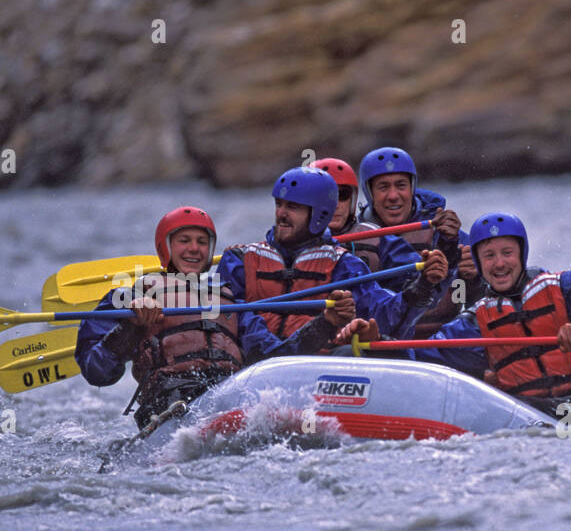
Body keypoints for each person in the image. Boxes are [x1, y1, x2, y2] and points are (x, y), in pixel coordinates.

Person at [75, 206, 373, 429]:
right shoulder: (132, 295)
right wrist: (130, 325)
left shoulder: (230, 301)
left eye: (202, 242)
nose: (194, 248)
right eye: (184, 240)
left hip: (228, 401)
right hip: (167, 409)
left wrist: (327, 323)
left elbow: (276, 359)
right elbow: (96, 371)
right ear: (164, 247)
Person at [412, 212, 571, 415]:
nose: (500, 263)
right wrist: (382, 342)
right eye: (489, 256)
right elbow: (422, 355)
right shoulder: (474, 323)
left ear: (522, 255)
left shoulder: (567, 287)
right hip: (530, 412)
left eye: (507, 253)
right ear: (478, 262)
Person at [214, 165, 447, 341]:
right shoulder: (239, 261)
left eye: (293, 207)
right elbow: (226, 321)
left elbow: (388, 315)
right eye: (280, 204)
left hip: (317, 366)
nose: (282, 214)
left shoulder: (344, 266)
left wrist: (424, 285)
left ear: (318, 215)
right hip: (256, 365)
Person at [354, 146, 475, 337]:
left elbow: (483, 302)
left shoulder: (450, 236)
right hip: (384, 340)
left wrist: (474, 280)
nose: (393, 196)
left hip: (443, 338)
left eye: (401, 185)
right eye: (383, 187)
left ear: (412, 187)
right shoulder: (354, 240)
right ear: (369, 193)